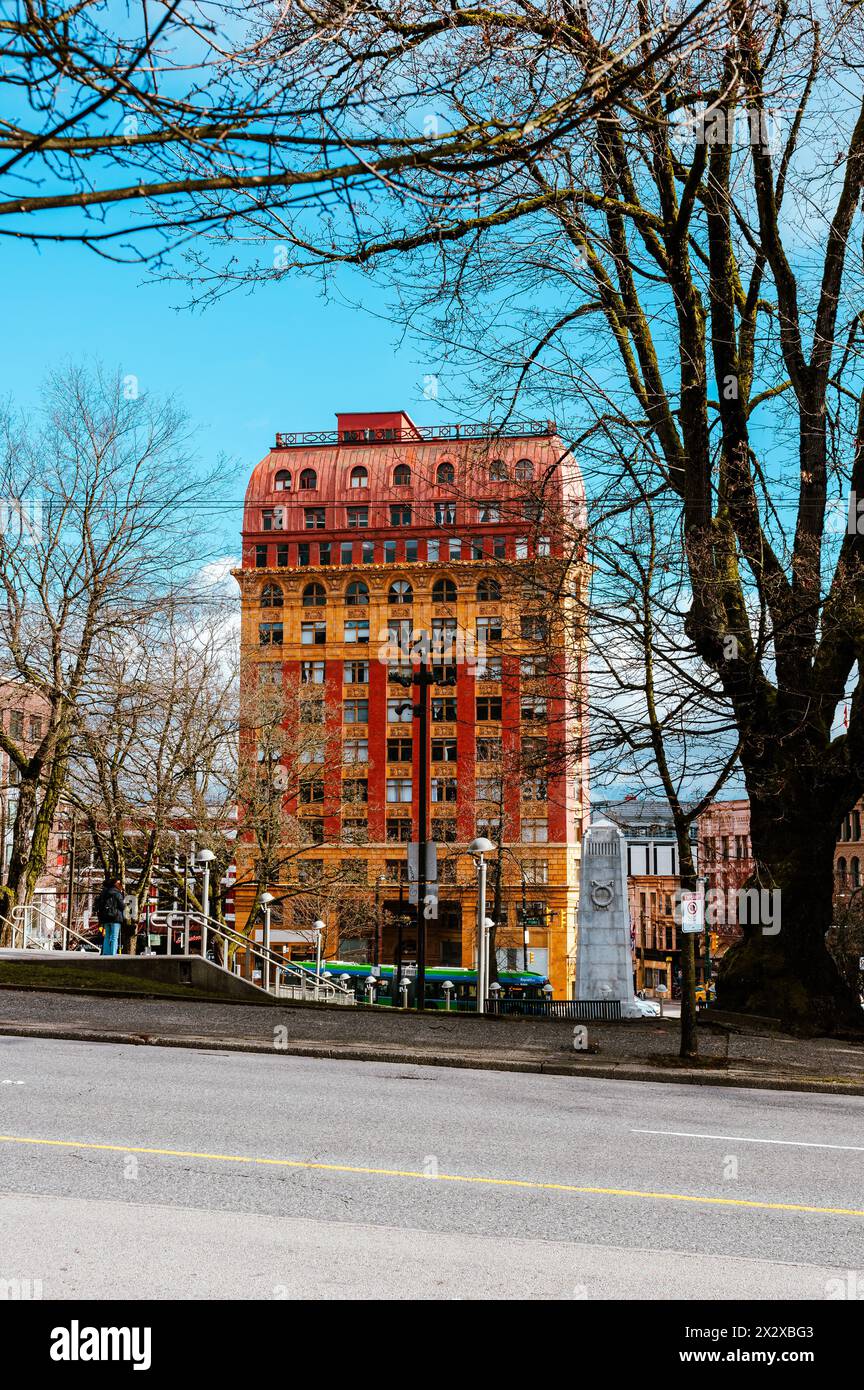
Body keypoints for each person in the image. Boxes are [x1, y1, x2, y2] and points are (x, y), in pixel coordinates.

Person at [94, 878, 125, 957]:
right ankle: (113, 954)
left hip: (106, 918)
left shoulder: (104, 893)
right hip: (116, 918)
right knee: (114, 937)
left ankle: (106, 953)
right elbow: (122, 906)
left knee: (107, 936)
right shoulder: (117, 893)